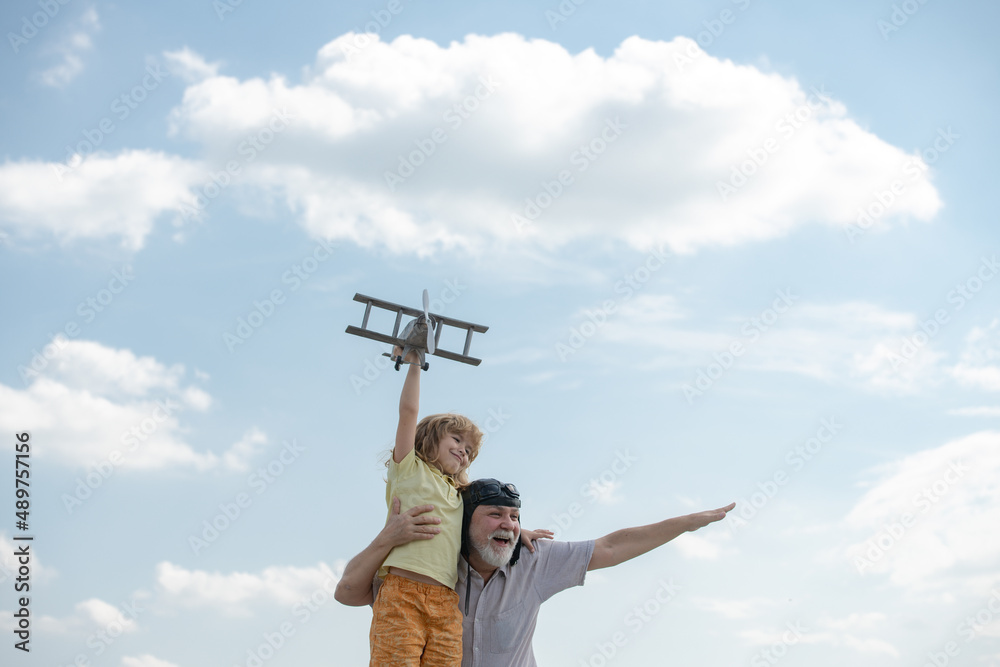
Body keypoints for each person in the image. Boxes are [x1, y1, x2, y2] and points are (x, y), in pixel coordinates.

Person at [336, 478, 734, 666]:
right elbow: (348, 592)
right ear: (464, 523)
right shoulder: (432, 564)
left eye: (514, 517)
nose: (508, 524)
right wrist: (386, 540)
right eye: (494, 514)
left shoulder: (534, 560)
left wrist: (686, 523)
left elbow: (613, 546)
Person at [365, 348, 546, 666]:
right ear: (430, 437)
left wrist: (518, 528)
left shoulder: (458, 494)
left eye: (469, 449)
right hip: (402, 592)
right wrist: (415, 365)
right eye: (457, 440)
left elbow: (488, 520)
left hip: (447, 600)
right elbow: (408, 411)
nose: (464, 451)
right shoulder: (409, 470)